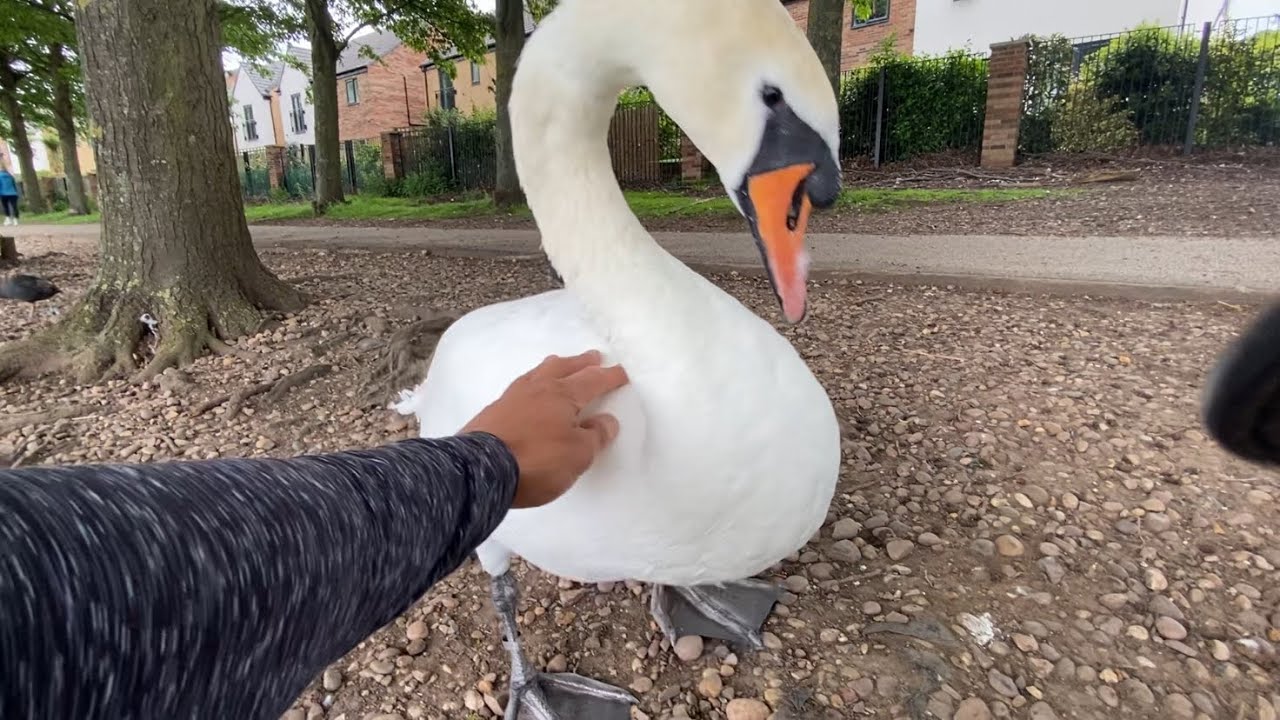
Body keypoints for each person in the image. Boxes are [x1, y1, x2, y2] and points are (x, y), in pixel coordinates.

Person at [0, 350, 629, 720]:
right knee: (500, 569)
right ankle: (522, 672)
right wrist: (483, 467)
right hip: (470, 482)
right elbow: (97, 592)